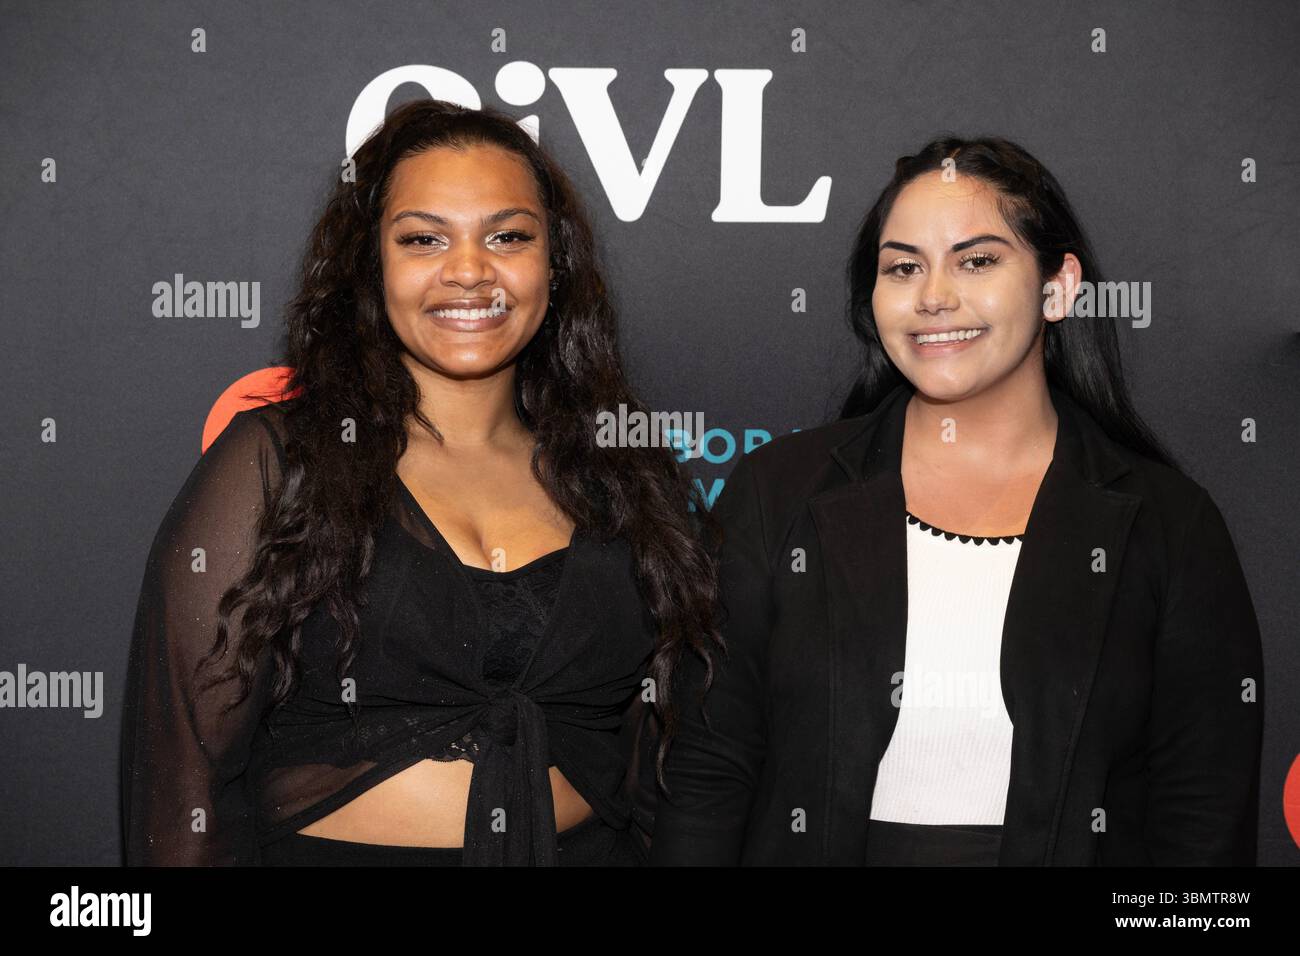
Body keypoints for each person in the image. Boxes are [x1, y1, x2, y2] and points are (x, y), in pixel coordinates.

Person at [120, 99, 721, 866]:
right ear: (371, 265)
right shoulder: (278, 463)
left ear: (556, 263)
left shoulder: (623, 477)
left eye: (508, 236)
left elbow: (661, 768)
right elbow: (182, 787)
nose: (469, 270)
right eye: (423, 238)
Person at [650, 136, 1265, 866]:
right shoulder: (777, 490)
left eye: (977, 260)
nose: (933, 295)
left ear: (1058, 286)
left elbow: (1203, 813)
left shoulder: (1169, 524)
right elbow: (711, 768)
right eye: (903, 267)